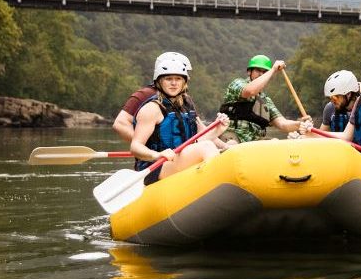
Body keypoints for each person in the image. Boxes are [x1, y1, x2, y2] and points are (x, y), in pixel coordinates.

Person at [131, 53, 230, 185]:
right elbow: (135, 146)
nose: (174, 83)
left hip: (179, 159)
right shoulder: (152, 109)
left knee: (214, 149)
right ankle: (217, 186)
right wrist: (157, 155)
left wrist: (218, 129)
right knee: (207, 147)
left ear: (184, 82)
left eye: (178, 79)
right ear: (159, 82)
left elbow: (200, 138)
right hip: (155, 167)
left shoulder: (187, 104)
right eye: (168, 79)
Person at [219, 54, 311, 144]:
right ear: (249, 72)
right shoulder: (237, 83)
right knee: (232, 144)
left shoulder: (266, 101)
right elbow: (250, 91)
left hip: (255, 141)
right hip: (234, 136)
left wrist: (300, 124)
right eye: (258, 70)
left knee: (275, 142)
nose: (261, 74)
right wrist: (273, 70)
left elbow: (283, 124)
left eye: (264, 72)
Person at [112, 52, 197, 142]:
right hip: (158, 153)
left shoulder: (185, 99)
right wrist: (147, 147)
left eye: (180, 76)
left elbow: (199, 128)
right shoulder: (145, 94)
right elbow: (120, 124)